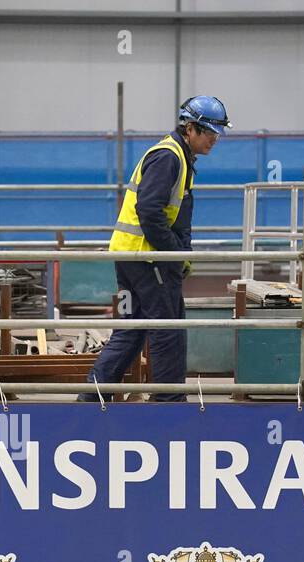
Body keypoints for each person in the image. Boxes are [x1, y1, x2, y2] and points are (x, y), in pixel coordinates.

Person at [80, 95, 231, 402]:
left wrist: (179, 252)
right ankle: (168, 402)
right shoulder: (168, 157)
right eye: (209, 132)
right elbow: (149, 210)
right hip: (148, 259)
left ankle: (93, 396)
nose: (215, 139)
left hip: (132, 257)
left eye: (217, 133)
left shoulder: (177, 156)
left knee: (132, 328)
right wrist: (173, 254)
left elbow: (173, 213)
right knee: (168, 328)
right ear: (190, 128)